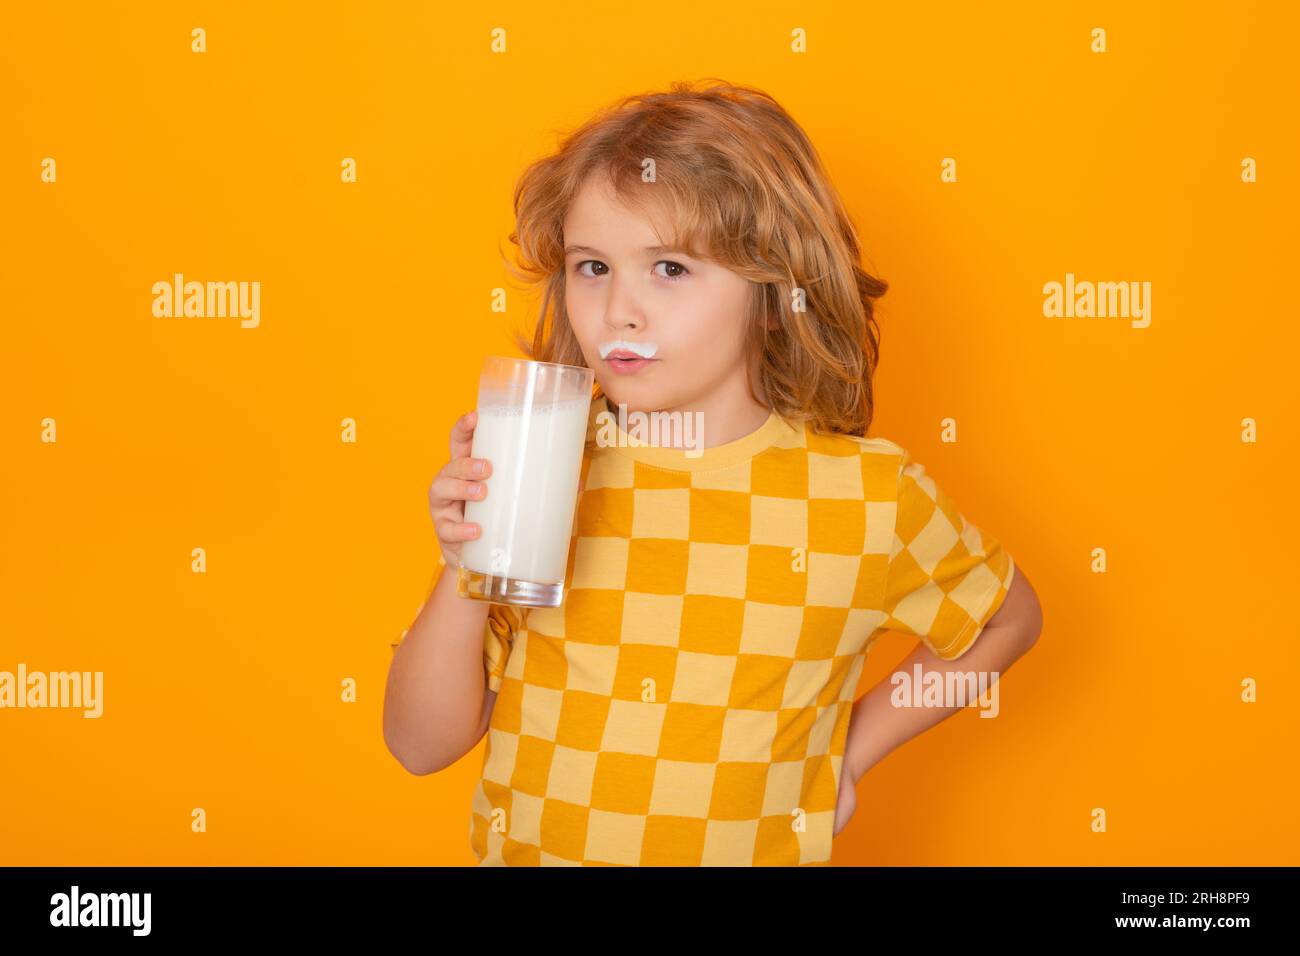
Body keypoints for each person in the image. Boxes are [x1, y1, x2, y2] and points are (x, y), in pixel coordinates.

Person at [383, 79, 1043, 866]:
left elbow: (1007, 619)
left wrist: (853, 751)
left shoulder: (866, 498)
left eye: (669, 269)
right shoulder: (547, 472)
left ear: (775, 294)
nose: (618, 310)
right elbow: (420, 746)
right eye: (592, 267)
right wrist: (465, 567)